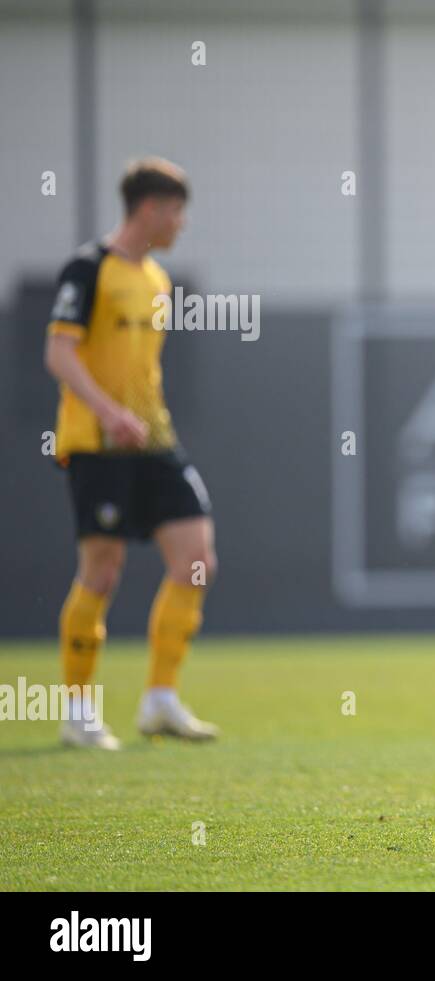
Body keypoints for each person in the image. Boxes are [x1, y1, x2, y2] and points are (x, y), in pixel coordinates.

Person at [45, 156, 219, 749]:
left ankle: (160, 700)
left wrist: (140, 418)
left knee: (197, 559)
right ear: (149, 207)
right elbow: (59, 354)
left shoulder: (157, 278)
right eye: (175, 210)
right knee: (103, 571)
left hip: (153, 439)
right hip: (97, 442)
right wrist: (107, 412)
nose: (181, 222)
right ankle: (77, 712)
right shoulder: (88, 268)